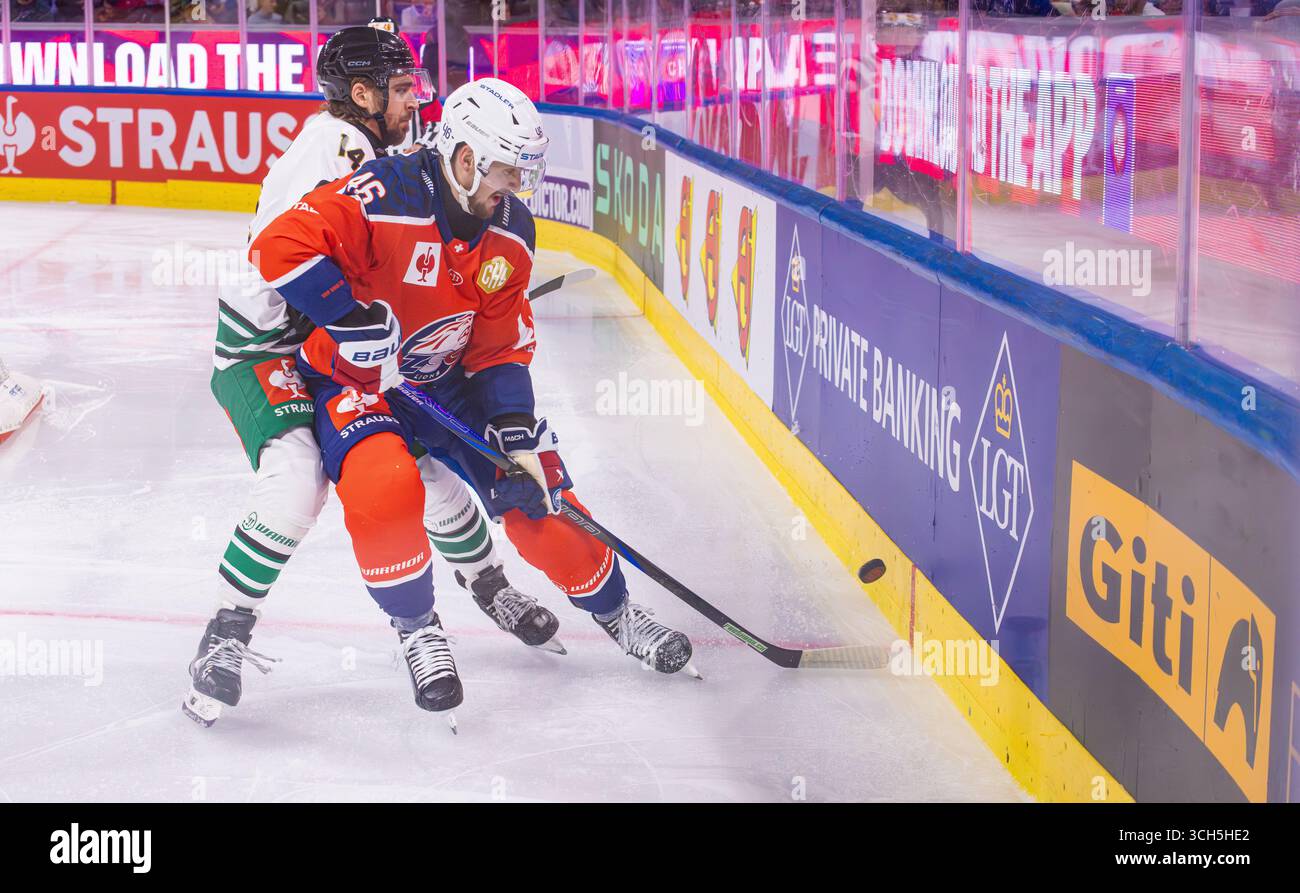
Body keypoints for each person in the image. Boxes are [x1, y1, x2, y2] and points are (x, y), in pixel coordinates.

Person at [249, 77, 697, 722]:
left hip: (446, 382)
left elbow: (498, 345)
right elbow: (278, 244)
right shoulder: (385, 190)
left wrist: (515, 430)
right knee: (385, 486)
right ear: (465, 158)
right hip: (358, 381)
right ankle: (418, 629)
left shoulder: (511, 229)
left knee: (538, 492)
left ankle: (618, 612)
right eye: (508, 173)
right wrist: (348, 317)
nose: (515, 190)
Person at [183, 30, 561, 729]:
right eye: (401, 88)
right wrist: (358, 316)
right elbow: (289, 254)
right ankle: (226, 630)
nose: (415, 99)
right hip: (266, 345)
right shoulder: (344, 148)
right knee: (297, 483)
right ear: (361, 96)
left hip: (334, 336)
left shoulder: (365, 142)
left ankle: (486, 582)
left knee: (424, 467)